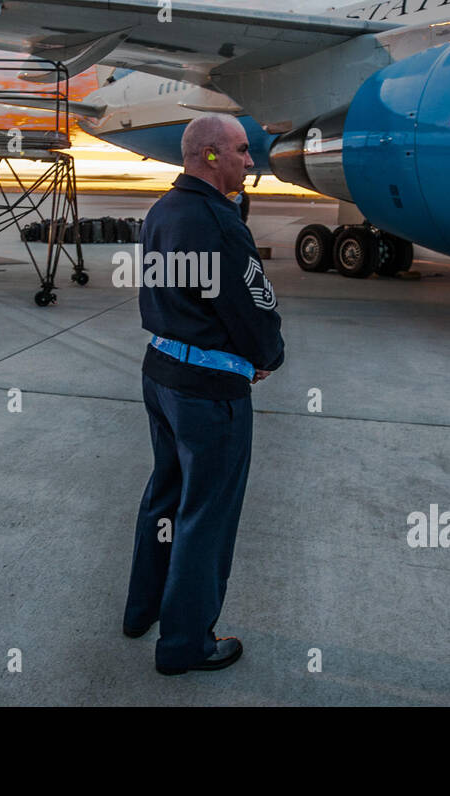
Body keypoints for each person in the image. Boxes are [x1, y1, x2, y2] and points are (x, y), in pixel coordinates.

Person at [122, 114, 285, 676]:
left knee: (165, 496)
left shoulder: (163, 210)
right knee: (205, 517)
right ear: (211, 155)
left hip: (161, 371)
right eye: (242, 151)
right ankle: (186, 644)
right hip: (208, 391)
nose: (250, 161)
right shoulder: (219, 221)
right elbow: (252, 305)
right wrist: (267, 357)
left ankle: (141, 610)